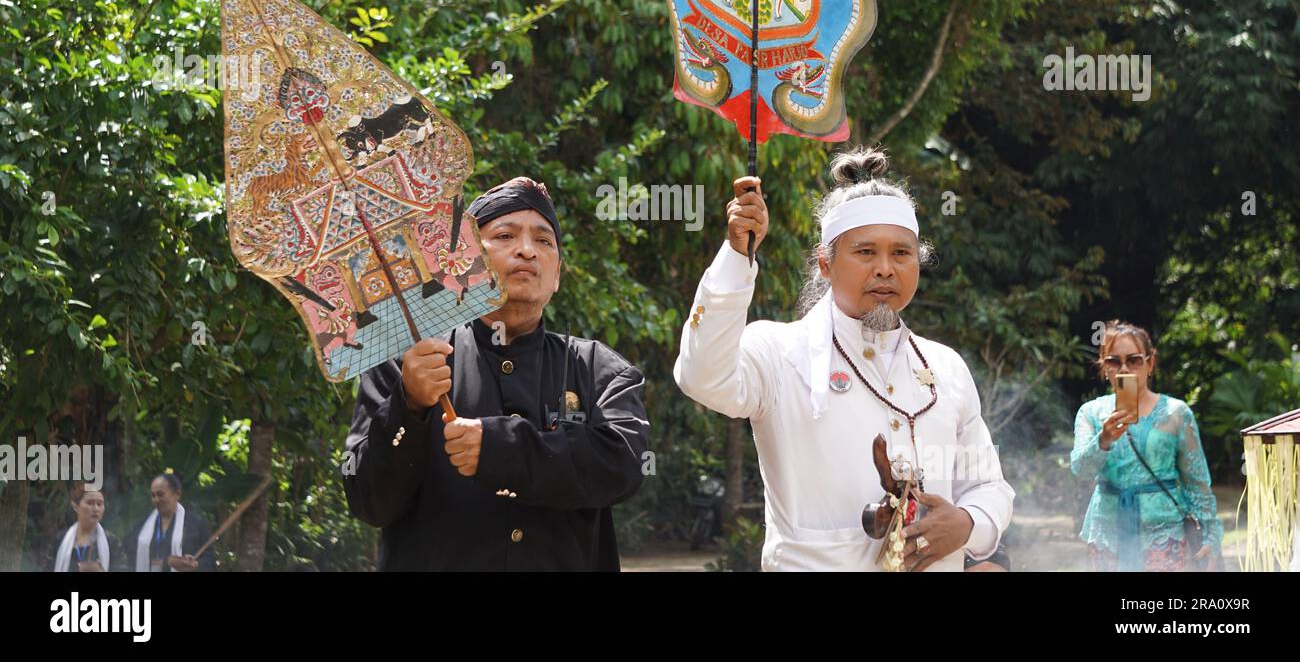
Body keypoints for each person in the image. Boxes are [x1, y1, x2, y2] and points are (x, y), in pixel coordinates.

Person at [673, 147, 1013, 571]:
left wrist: (966, 524)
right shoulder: (779, 353)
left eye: (902, 254)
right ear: (825, 264)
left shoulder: (946, 367)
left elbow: (987, 485)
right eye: (866, 252)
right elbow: (702, 377)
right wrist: (737, 260)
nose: (886, 269)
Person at [343, 176, 650, 570]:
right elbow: (369, 502)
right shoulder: (408, 363)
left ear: (557, 274)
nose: (526, 250)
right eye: (505, 235)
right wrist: (409, 406)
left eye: (543, 241)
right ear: (467, 258)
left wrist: (503, 449)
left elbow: (624, 467)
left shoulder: (598, 371)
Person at [1070, 320, 1223, 571]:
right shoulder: (1091, 413)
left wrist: (1210, 536)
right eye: (1113, 361)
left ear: (1149, 364)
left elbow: (1197, 482)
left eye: (1134, 360)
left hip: (1164, 533)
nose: (1124, 369)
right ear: (1103, 367)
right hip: (1109, 532)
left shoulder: (1176, 413)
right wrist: (1104, 439)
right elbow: (1081, 469)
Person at [126, 471, 216, 572]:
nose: (156, 500)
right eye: (153, 495)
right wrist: (166, 561)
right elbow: (131, 557)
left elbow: (210, 560)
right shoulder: (142, 527)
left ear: (177, 494)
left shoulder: (196, 525)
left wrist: (196, 565)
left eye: (160, 494)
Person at [51, 484, 121, 572]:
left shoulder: (111, 541)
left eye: (99, 504)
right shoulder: (61, 539)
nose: (96, 509)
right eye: (90, 503)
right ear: (75, 506)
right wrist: (78, 568)